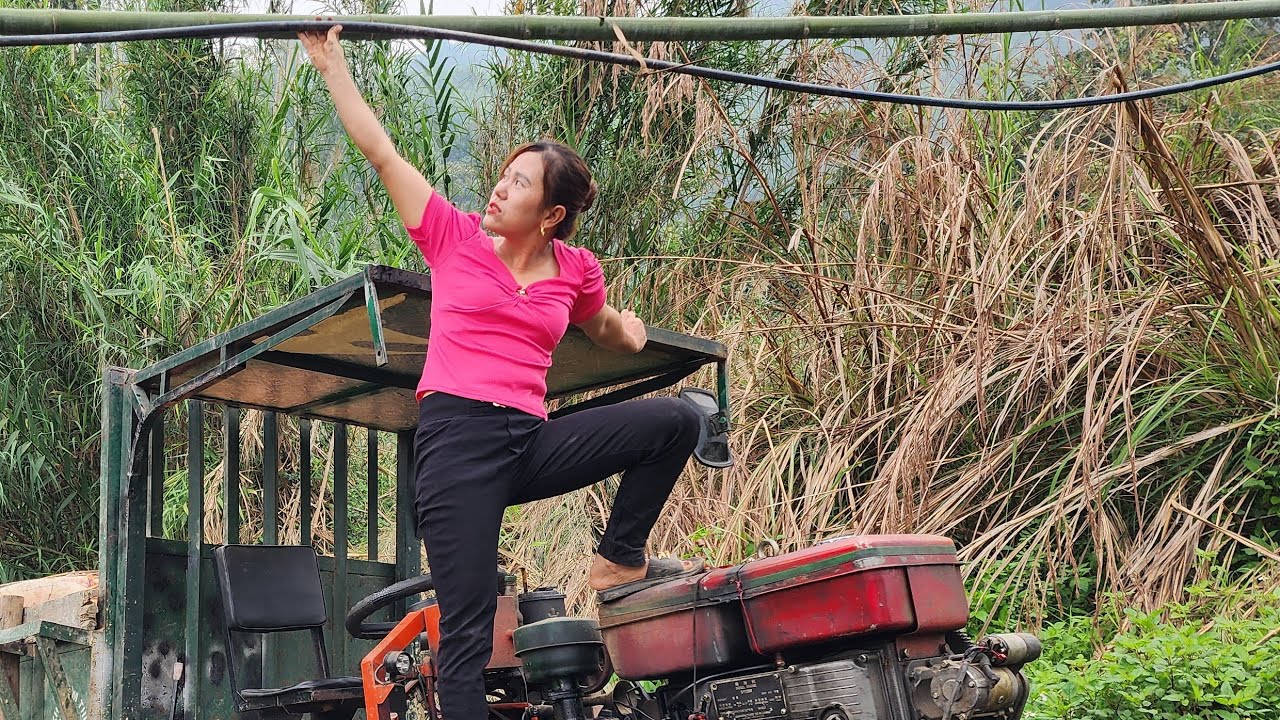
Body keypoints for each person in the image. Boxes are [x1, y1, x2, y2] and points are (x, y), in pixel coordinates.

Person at [299, 25, 706, 720]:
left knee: (677, 420)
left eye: (517, 183)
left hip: (529, 438)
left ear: (551, 214)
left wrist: (632, 333)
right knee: (468, 631)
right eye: (503, 174)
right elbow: (381, 152)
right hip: (457, 446)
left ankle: (617, 559)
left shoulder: (576, 271)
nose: (498, 188)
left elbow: (601, 326)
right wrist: (329, 61)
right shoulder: (452, 238)